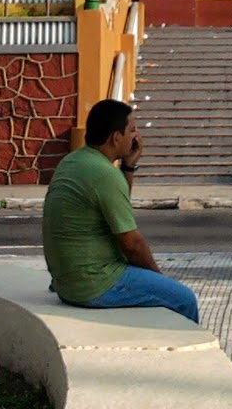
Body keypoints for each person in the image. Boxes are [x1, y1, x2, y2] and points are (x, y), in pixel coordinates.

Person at [42, 98, 199, 323]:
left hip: (67, 283)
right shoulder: (104, 174)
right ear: (116, 137)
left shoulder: (74, 161)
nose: (136, 137)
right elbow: (133, 245)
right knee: (183, 299)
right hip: (93, 284)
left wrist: (128, 166)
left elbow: (118, 205)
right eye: (132, 130)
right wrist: (158, 279)